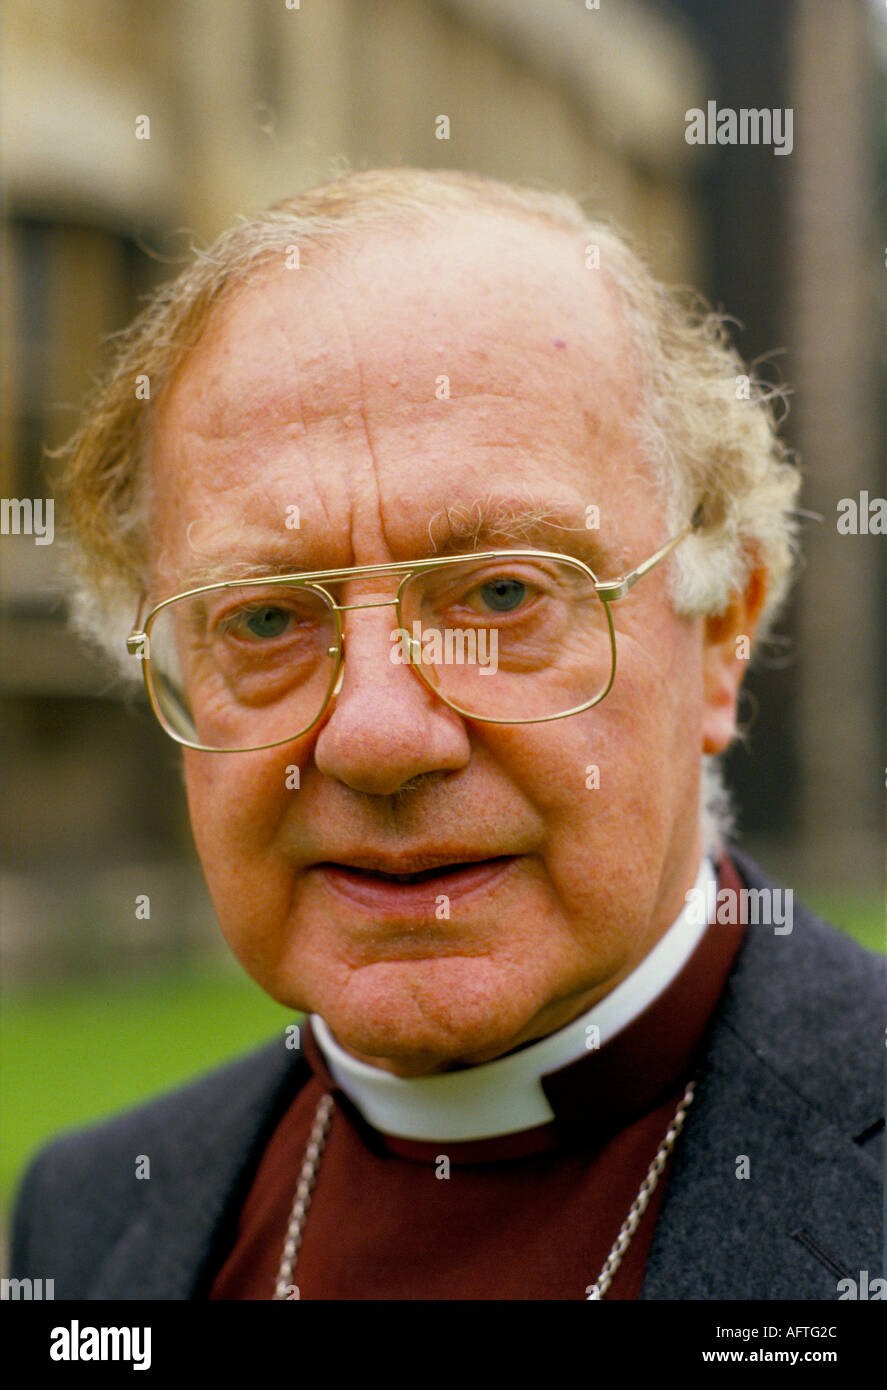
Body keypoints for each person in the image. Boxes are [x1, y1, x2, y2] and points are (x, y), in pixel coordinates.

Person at [9, 168, 882, 1301]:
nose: (375, 737)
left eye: (502, 595)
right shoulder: (85, 1219)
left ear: (719, 629)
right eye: (267, 619)